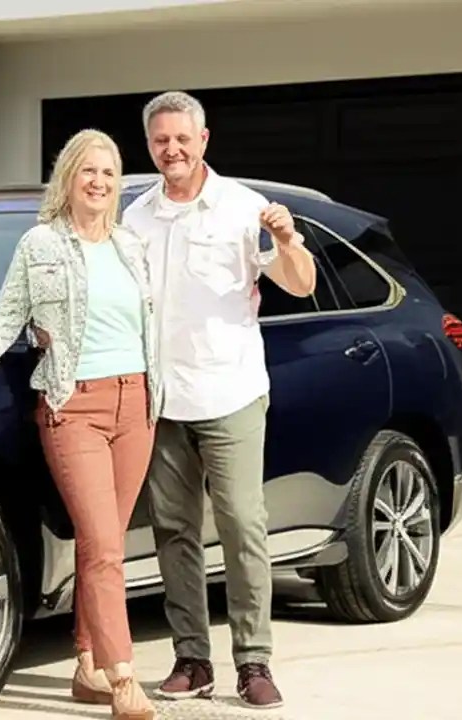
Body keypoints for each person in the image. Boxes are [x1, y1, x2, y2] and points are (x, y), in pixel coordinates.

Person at [0, 129, 161, 720]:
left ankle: (86, 665)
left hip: (136, 405)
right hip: (73, 405)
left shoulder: (132, 246)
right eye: (87, 172)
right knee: (102, 545)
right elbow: (6, 318)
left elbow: (153, 321)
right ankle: (123, 678)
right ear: (68, 180)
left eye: (108, 173)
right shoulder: (40, 244)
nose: (98, 182)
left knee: (104, 547)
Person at [120, 90, 317, 710]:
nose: (171, 149)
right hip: (163, 397)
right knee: (174, 530)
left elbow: (301, 282)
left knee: (240, 523)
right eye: (160, 141)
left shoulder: (245, 207)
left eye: (182, 138)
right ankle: (191, 659)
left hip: (229, 391)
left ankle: (254, 663)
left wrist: (287, 241)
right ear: (150, 146)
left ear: (204, 140)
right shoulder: (138, 217)